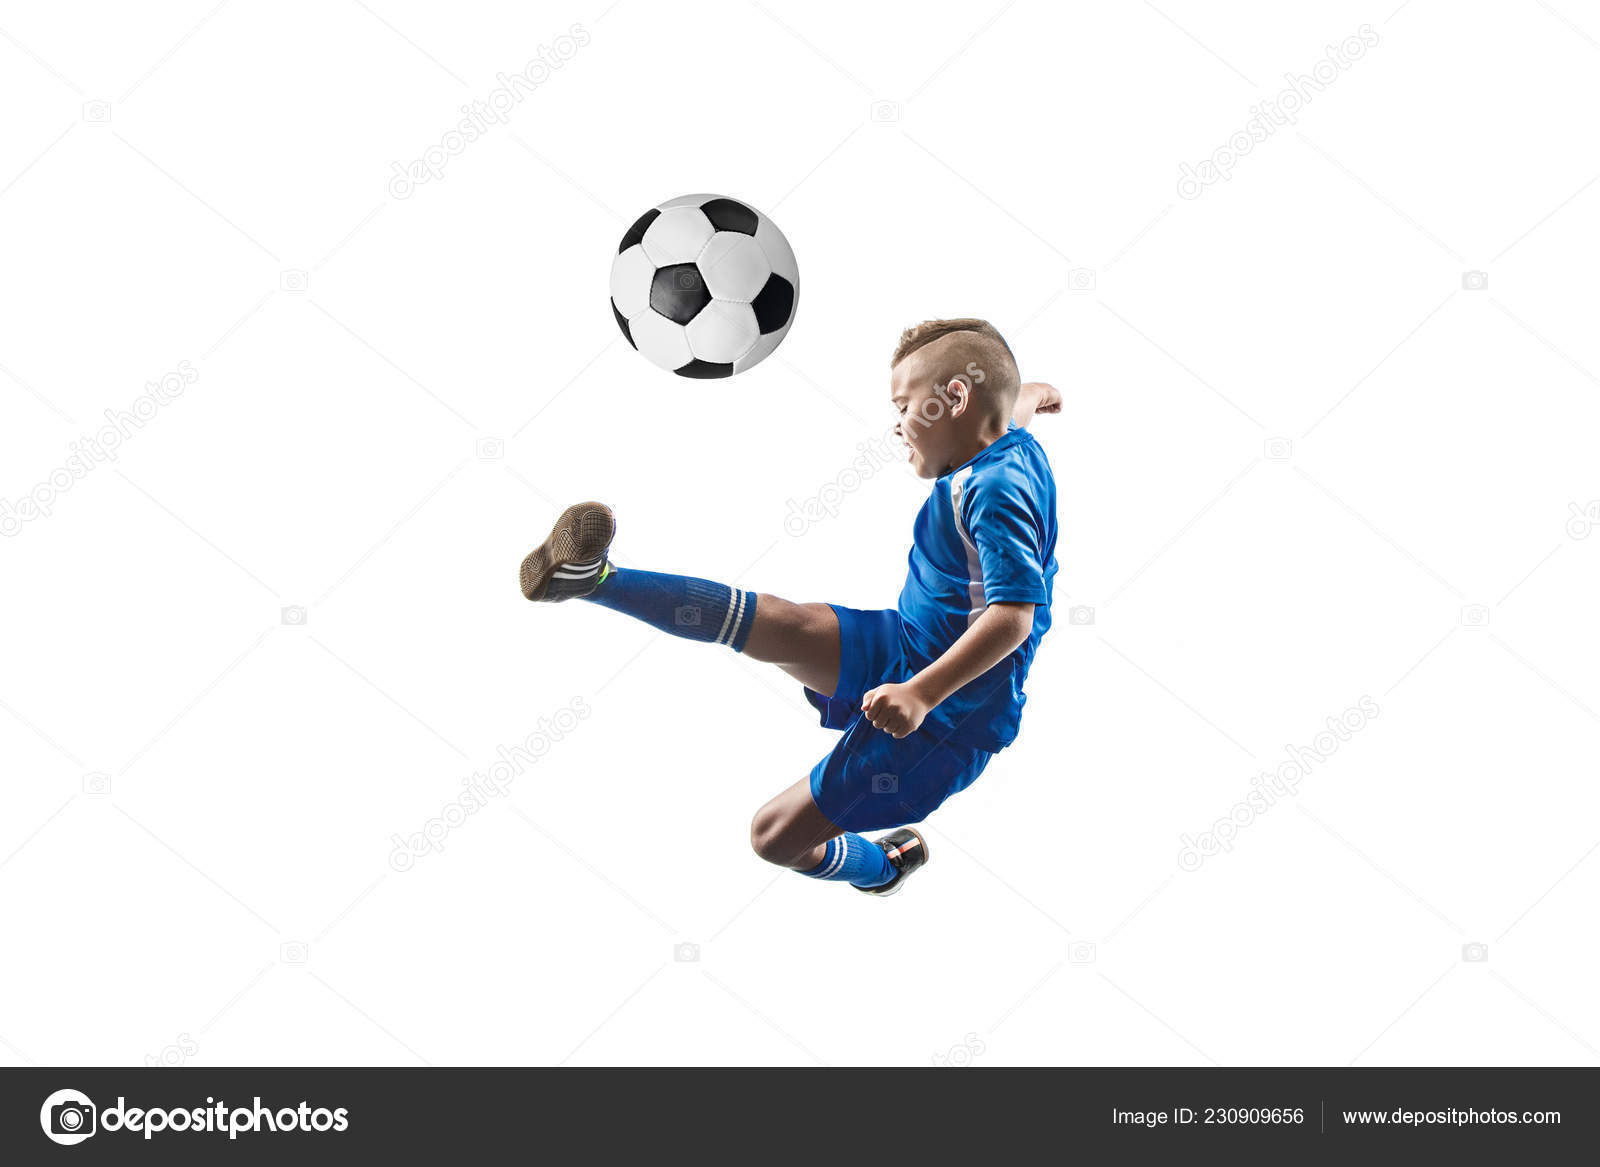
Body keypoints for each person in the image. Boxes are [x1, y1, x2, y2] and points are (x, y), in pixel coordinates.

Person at [520, 318, 1060, 895]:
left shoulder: (995, 488)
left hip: (951, 714)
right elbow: (1005, 417)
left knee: (774, 837)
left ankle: (884, 868)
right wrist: (1027, 394)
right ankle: (592, 579)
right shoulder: (1002, 442)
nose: (898, 426)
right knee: (782, 622)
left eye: (904, 406)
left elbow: (1012, 618)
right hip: (907, 641)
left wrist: (921, 693)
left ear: (956, 398)